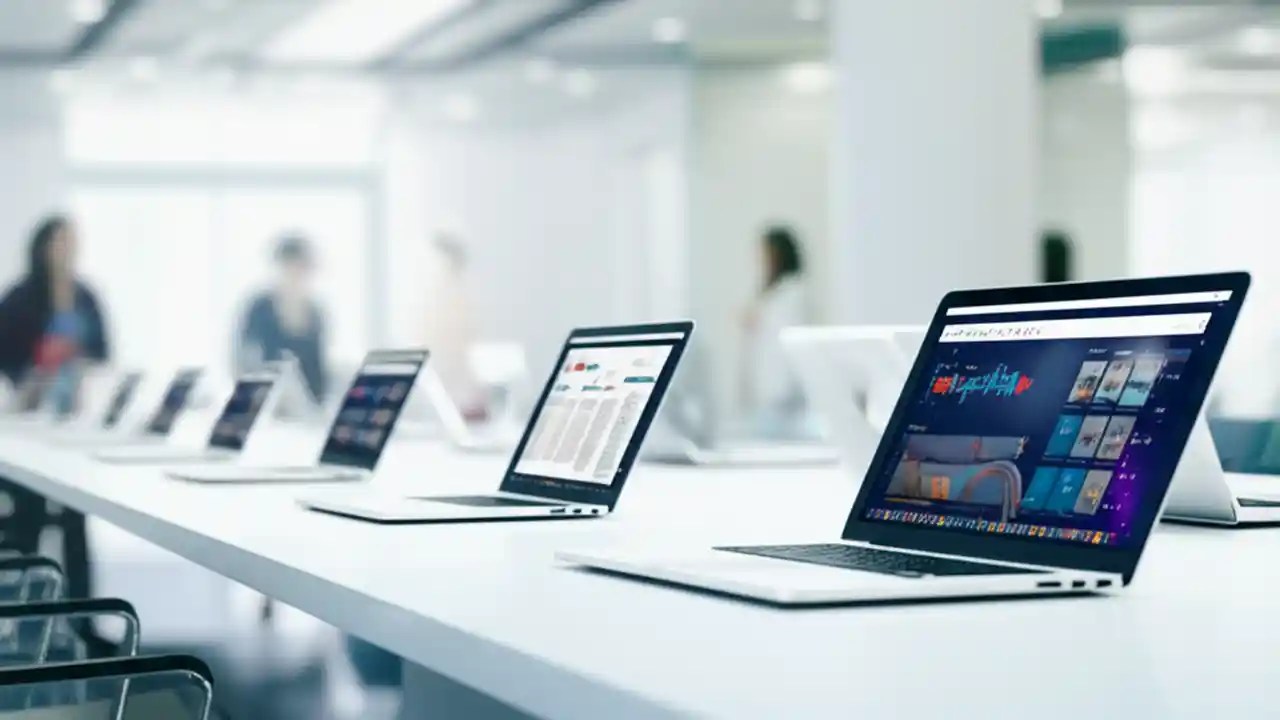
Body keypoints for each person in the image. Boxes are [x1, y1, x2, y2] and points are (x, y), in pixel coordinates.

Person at [0, 214, 110, 415]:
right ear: (44, 247)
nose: (68, 249)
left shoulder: (86, 297)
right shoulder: (19, 297)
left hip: (77, 399)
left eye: (72, 241)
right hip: (26, 401)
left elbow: (102, 352)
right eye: (62, 241)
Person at [236, 235, 329, 404]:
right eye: (290, 268)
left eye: (301, 269)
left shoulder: (315, 313)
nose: (295, 275)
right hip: (265, 401)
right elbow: (243, 359)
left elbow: (319, 370)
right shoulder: (260, 308)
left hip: (307, 405)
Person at [742, 225, 810, 437]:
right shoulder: (772, 294)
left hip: (784, 395)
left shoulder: (793, 293)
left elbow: (786, 343)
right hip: (768, 395)